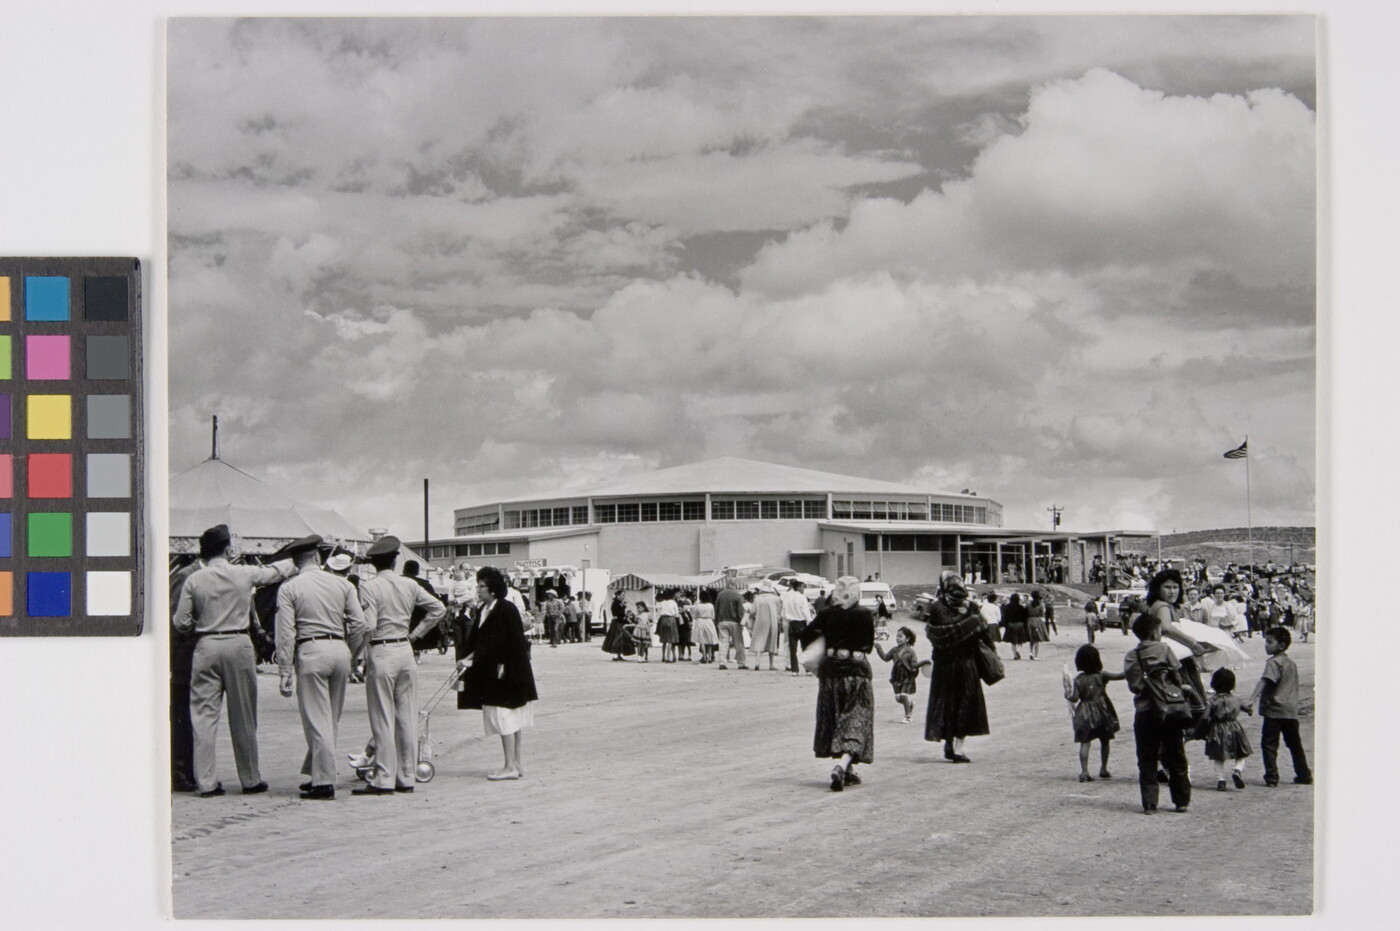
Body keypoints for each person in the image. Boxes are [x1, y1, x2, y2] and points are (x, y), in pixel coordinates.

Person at [172, 525, 294, 797]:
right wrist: (294, 561)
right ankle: (250, 779)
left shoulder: (194, 579)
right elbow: (274, 573)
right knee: (243, 715)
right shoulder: (243, 573)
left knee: (203, 717)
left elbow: (180, 621)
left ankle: (206, 782)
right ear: (228, 548)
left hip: (206, 645)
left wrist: (200, 623)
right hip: (238, 643)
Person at [275, 534, 369, 801]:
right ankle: (317, 770)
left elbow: (285, 633)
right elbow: (360, 624)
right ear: (317, 556)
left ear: (295, 562)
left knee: (316, 720)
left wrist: (284, 670)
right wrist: (351, 651)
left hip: (310, 650)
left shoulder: (290, 587)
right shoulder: (343, 585)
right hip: (340, 649)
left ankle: (324, 782)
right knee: (330, 718)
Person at [351, 536, 446, 796]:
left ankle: (383, 777)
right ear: (395, 560)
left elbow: (368, 625)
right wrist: (416, 634)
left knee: (382, 716)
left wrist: (357, 653)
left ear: (373, 563)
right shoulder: (409, 584)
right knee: (406, 716)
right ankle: (406, 776)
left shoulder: (369, 587)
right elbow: (438, 609)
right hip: (405, 648)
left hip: (381, 650)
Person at [457, 566, 539, 780]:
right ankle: (515, 763)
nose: (478, 589)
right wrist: (470, 657)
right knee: (511, 718)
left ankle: (510, 765)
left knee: (506, 717)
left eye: (482, 586)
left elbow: (504, 642)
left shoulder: (505, 609)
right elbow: (483, 640)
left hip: (507, 673)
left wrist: (474, 659)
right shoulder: (486, 609)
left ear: (492, 589)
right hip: (499, 671)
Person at [797, 577, 875, 791]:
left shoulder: (826, 614)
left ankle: (847, 770)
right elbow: (868, 644)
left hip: (830, 673)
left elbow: (805, 634)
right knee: (857, 719)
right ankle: (842, 766)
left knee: (835, 717)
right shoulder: (865, 614)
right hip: (856, 671)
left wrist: (820, 652)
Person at [1124, 612, 1198, 814]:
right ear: (1155, 632)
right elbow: (1177, 677)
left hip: (1145, 711)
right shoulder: (1165, 649)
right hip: (1170, 711)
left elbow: (1134, 686)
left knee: (1147, 758)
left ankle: (1150, 803)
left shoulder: (1131, 656)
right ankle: (1181, 801)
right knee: (1176, 755)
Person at [923, 573, 992, 763]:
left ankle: (948, 743)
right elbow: (984, 633)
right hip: (966, 663)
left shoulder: (937, 607)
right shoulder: (972, 608)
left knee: (946, 705)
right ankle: (958, 749)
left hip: (944, 665)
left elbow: (935, 632)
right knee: (965, 705)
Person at [1244, 626, 1313, 787]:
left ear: (1281, 645)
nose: (1266, 645)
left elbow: (1265, 681)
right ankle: (1304, 774)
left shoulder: (1273, 662)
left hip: (1273, 710)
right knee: (1294, 744)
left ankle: (1272, 776)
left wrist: (1251, 699)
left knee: (1269, 744)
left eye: (1270, 642)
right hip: (1290, 711)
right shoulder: (1291, 663)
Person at [1145, 569, 1210, 712]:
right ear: (1158, 588)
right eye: (1167, 587)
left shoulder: (1157, 605)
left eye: (1175, 587)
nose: (1172, 591)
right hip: (1174, 660)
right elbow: (1166, 627)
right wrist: (1193, 644)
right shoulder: (1163, 606)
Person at [169, 556, 204, 793]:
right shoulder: (186, 575)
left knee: (193, 714)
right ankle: (179, 771)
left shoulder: (203, 575)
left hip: (196, 653)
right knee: (182, 714)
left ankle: (189, 770)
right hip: (183, 654)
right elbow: (174, 618)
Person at [1065, 643, 1124, 782]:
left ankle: (1084, 772)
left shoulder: (1078, 679)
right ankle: (1103, 768)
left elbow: (1074, 698)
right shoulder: (1102, 675)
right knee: (1105, 741)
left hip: (1084, 712)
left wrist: (1067, 694)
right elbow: (1120, 676)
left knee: (1085, 743)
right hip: (1102, 711)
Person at [1202, 668, 1253, 791]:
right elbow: (1244, 708)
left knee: (1218, 757)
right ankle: (1237, 770)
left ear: (1213, 684)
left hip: (1217, 729)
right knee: (1241, 753)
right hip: (1234, 727)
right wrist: (1249, 710)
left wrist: (1202, 727)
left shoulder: (1212, 701)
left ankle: (1221, 780)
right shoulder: (1235, 699)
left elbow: (1204, 717)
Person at [874, 626, 930, 723]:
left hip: (907, 677)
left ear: (907, 639)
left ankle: (908, 717)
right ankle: (910, 706)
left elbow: (913, 665)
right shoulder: (894, 650)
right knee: (898, 698)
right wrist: (879, 648)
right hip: (896, 677)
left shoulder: (911, 652)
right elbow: (885, 658)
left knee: (904, 696)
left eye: (900, 636)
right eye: (897, 636)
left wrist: (924, 662)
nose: (897, 638)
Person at [781, 580, 814, 676]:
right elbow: (805, 611)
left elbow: (784, 613)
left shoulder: (787, 598)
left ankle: (794, 670)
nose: (803, 589)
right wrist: (810, 622)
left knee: (793, 648)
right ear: (798, 588)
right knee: (805, 648)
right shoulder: (802, 598)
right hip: (802, 623)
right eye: (802, 587)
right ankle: (807, 669)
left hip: (792, 623)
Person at [714, 579, 748, 670]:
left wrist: (716, 621)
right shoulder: (738, 595)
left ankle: (722, 662)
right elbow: (741, 611)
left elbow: (716, 609)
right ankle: (741, 663)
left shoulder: (720, 595)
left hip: (722, 621)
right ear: (734, 585)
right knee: (738, 643)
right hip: (734, 622)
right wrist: (743, 623)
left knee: (723, 642)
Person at [749, 581, 783, 671]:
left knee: (760, 640)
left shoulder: (757, 599)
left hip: (760, 621)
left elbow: (752, 611)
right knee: (772, 641)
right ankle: (771, 664)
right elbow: (779, 611)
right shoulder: (776, 599)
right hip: (773, 621)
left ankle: (757, 662)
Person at [602, 591, 635, 661]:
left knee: (620, 639)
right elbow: (618, 614)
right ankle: (618, 654)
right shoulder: (615, 603)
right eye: (622, 595)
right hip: (618, 623)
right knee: (619, 638)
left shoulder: (619, 603)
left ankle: (619, 654)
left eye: (624, 595)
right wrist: (624, 613)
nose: (624, 597)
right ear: (618, 595)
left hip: (619, 622)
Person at [1000, 592, 1028, 660]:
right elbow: (1025, 618)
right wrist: (1025, 626)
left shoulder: (1007, 608)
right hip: (1020, 624)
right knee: (1020, 641)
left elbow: (1005, 618)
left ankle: (1015, 654)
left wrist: (1006, 626)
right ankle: (1018, 651)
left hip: (1011, 625)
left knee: (1013, 642)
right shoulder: (1021, 608)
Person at [655, 590, 680, 663]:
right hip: (671, 619)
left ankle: (663, 656)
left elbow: (657, 608)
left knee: (664, 640)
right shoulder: (673, 602)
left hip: (663, 619)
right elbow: (676, 614)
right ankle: (669, 657)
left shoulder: (662, 602)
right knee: (670, 640)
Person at [1026, 590, 1049, 660]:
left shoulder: (1028, 604)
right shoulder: (1040, 605)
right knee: (1037, 639)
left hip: (1029, 620)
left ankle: (1031, 652)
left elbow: (1026, 612)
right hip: (1037, 620)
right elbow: (1042, 614)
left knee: (1031, 637)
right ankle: (1036, 655)